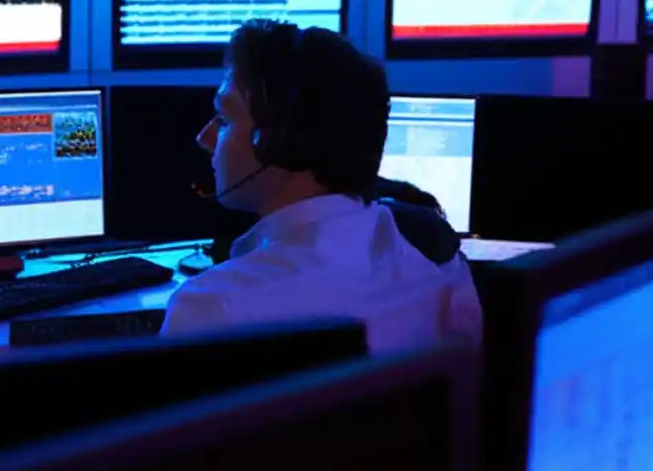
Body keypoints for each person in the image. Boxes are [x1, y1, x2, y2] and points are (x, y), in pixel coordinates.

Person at [160, 19, 483, 354]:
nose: (204, 138)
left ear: (278, 143)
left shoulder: (211, 307)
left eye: (225, 121)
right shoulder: (440, 262)